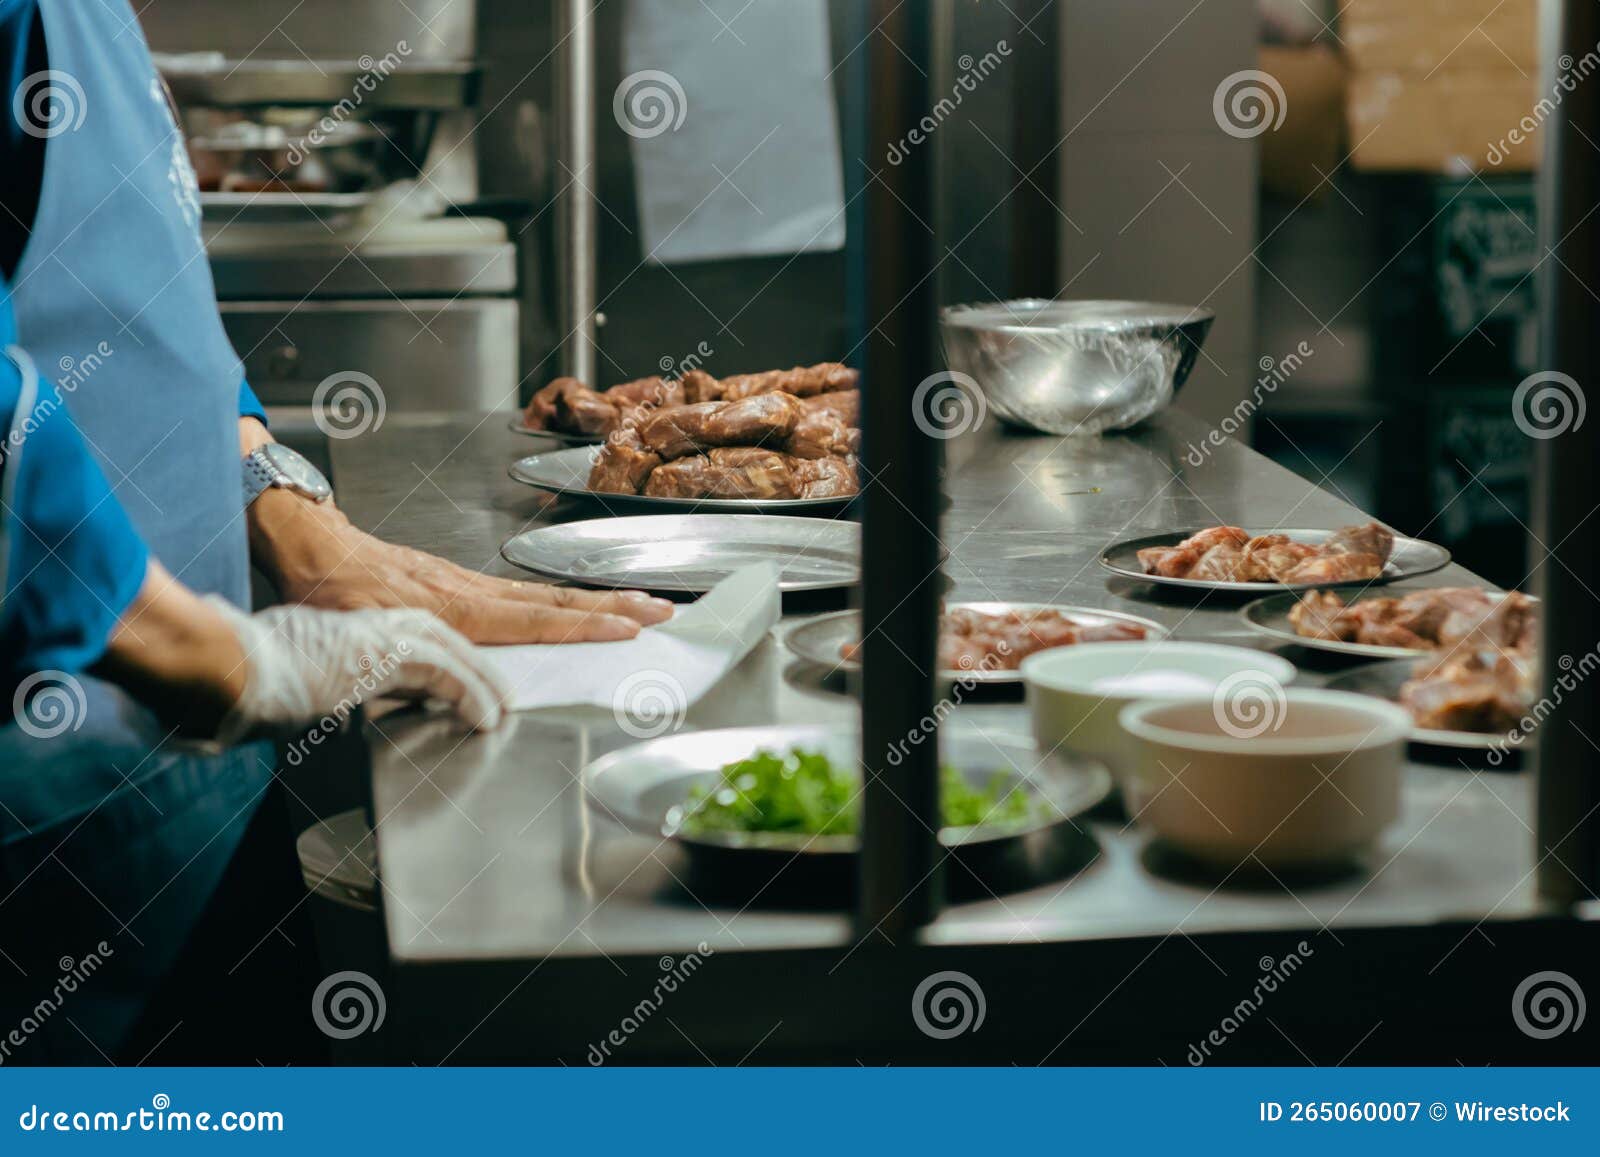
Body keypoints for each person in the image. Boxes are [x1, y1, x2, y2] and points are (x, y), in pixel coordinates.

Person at [0, 0, 672, 1062]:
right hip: (53, 825)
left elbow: (113, 276)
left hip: (191, 782)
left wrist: (278, 502)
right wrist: (210, 653)